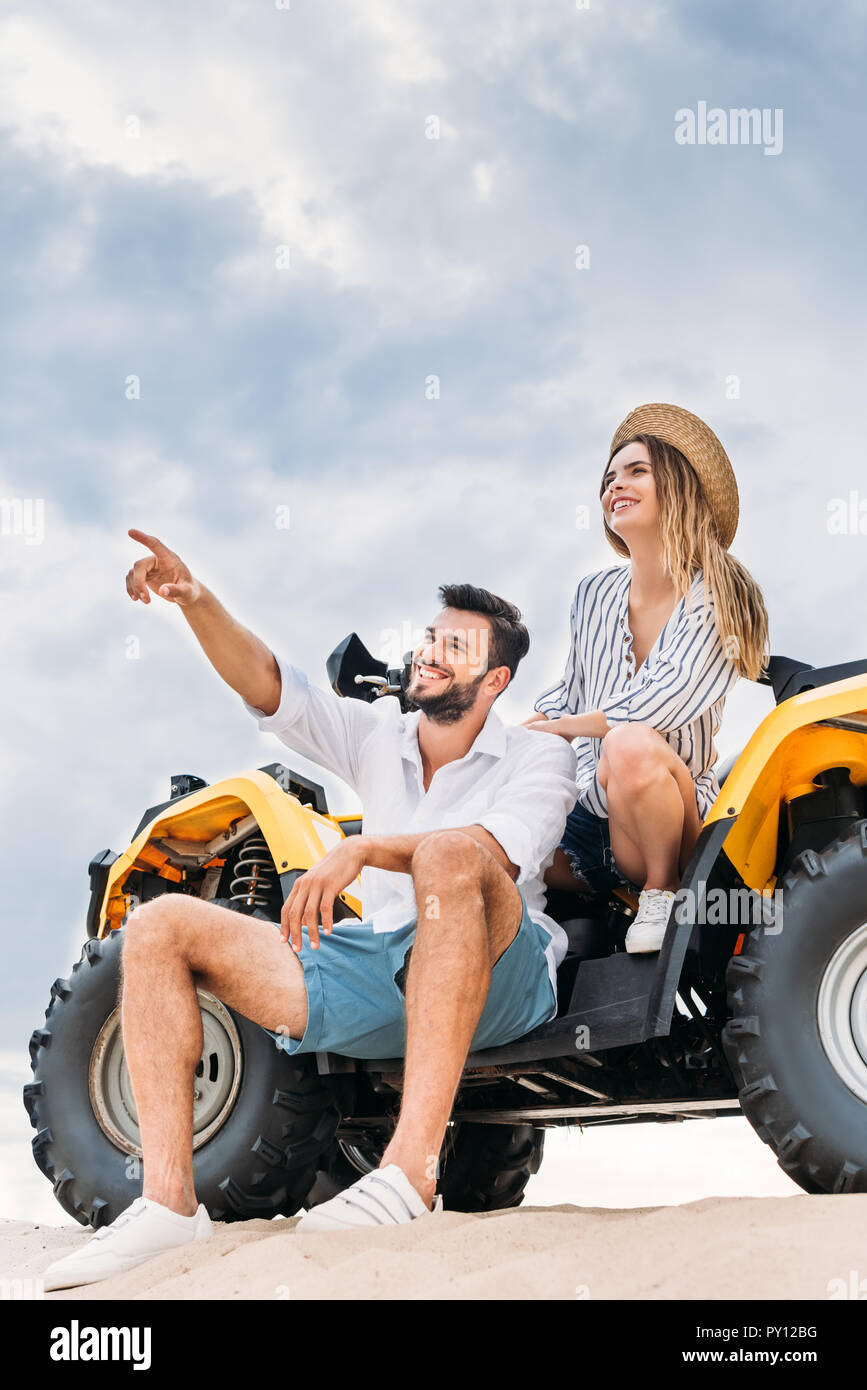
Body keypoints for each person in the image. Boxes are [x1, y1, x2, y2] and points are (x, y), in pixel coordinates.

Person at [42, 549, 579, 1290]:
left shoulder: (536, 756)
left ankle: (410, 1173)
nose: (428, 653)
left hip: (495, 974)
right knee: (162, 923)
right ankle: (168, 1202)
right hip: (378, 976)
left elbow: (493, 852)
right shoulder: (376, 737)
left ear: (495, 681)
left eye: (453, 647)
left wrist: (360, 849)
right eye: (429, 637)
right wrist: (195, 600)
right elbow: (271, 687)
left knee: (451, 859)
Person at [524, 403, 769, 953]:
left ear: (678, 487)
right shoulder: (591, 594)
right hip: (587, 824)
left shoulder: (718, 591)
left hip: (662, 814)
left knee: (629, 745)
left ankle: (663, 889)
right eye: (609, 478)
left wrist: (560, 729)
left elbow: (660, 702)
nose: (616, 486)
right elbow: (568, 696)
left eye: (637, 471)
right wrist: (511, 740)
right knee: (483, 819)